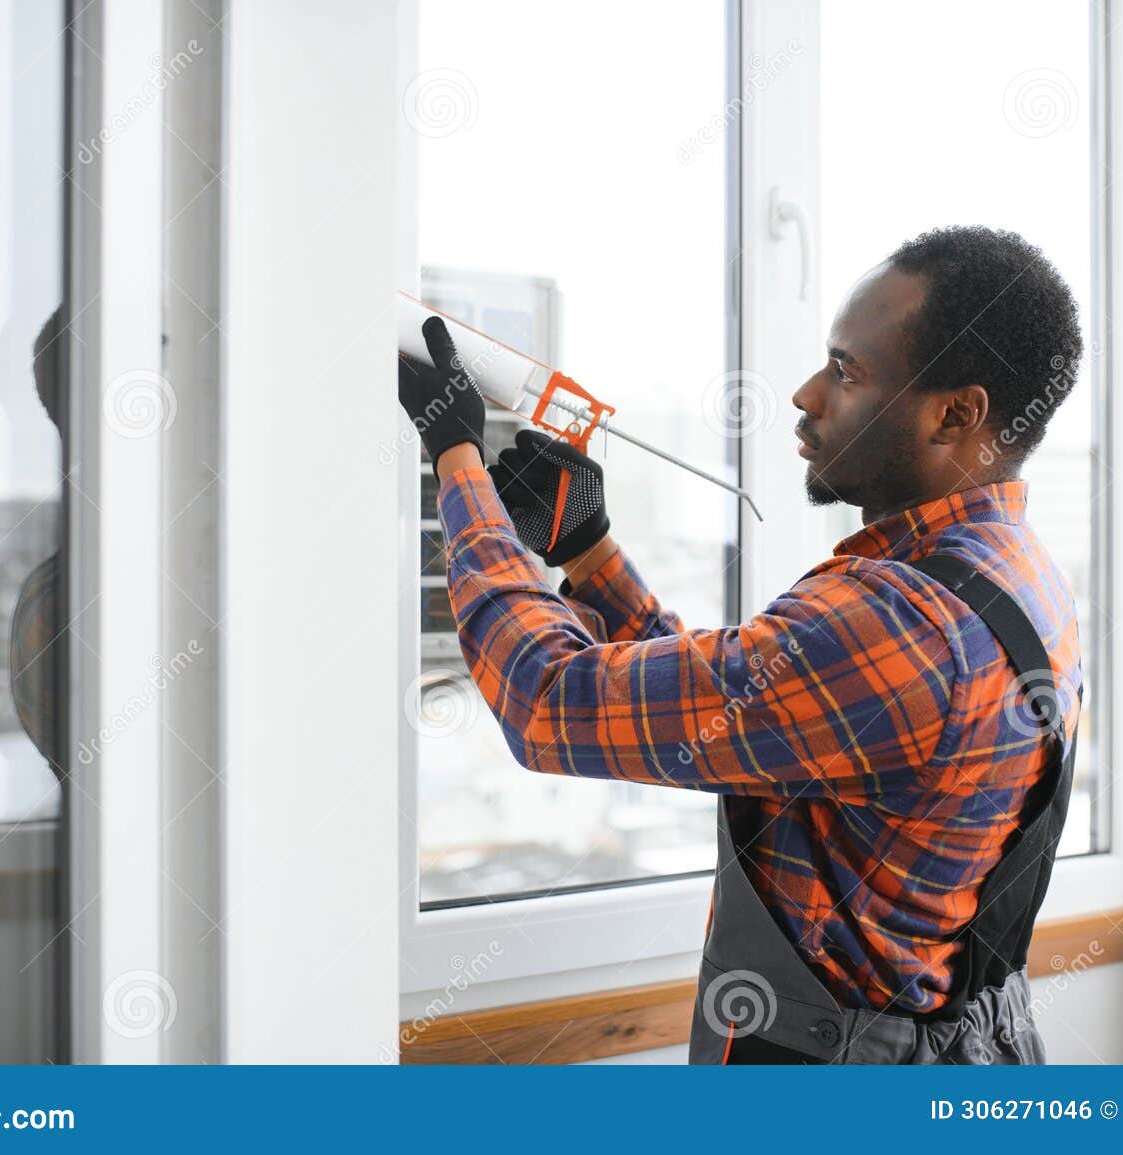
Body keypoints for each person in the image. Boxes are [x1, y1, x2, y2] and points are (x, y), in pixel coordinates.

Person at [397, 225, 1084, 1065]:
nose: (804, 394)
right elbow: (738, 717)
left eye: (845, 371)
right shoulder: (1012, 571)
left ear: (956, 413)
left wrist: (458, 458)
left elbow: (547, 702)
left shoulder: (908, 622)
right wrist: (587, 550)